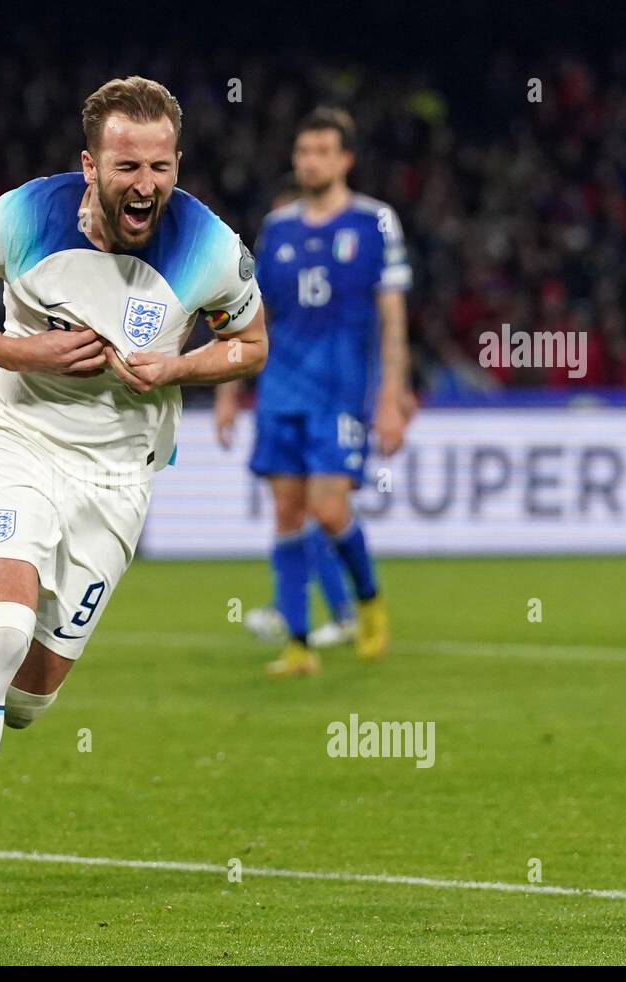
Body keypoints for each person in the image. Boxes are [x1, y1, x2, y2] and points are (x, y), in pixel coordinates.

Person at [0, 76, 267, 931]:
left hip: (119, 481)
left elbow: (250, 342)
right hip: (15, 442)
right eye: (127, 165)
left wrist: (176, 368)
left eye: (161, 165)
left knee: (29, 694)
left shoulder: (209, 244)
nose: (146, 184)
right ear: (88, 165)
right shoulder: (22, 216)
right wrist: (21, 350)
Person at [214, 106, 413, 677]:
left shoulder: (375, 223)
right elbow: (252, 316)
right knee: (285, 513)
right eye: (303, 152)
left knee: (329, 509)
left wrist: (391, 396)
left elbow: (391, 316)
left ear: (345, 159)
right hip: (280, 390)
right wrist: (229, 391)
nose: (311, 161)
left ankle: (368, 602)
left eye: (323, 151)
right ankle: (299, 645)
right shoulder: (277, 228)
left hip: (341, 392)